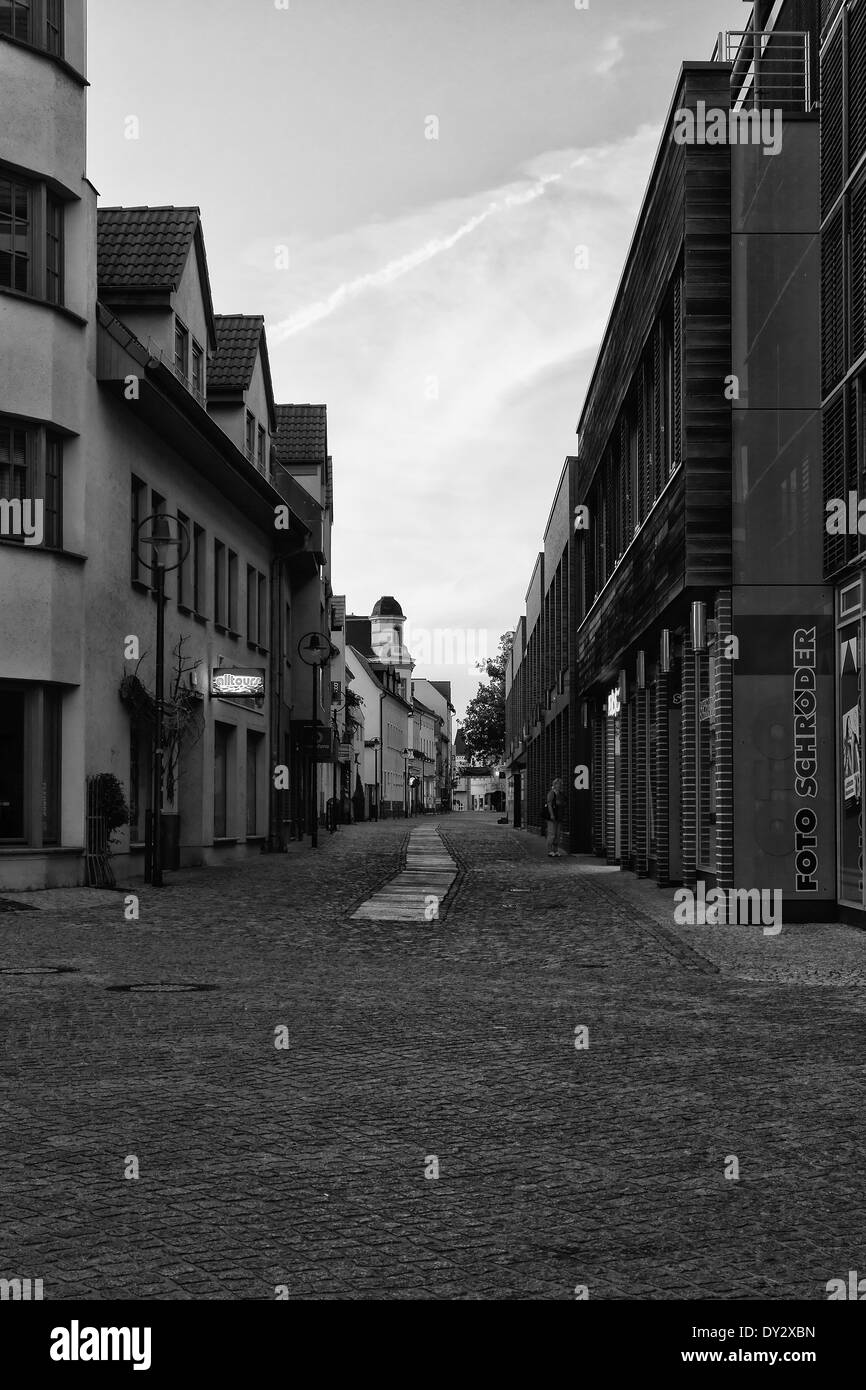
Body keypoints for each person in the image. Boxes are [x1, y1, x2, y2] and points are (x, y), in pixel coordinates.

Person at [546, 778, 563, 857]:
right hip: (552, 817)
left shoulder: (560, 793)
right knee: (552, 834)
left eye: (560, 784)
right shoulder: (551, 793)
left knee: (557, 834)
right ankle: (550, 850)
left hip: (559, 816)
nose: (558, 786)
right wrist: (551, 814)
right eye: (557, 784)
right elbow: (549, 805)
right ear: (554, 785)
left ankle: (556, 850)